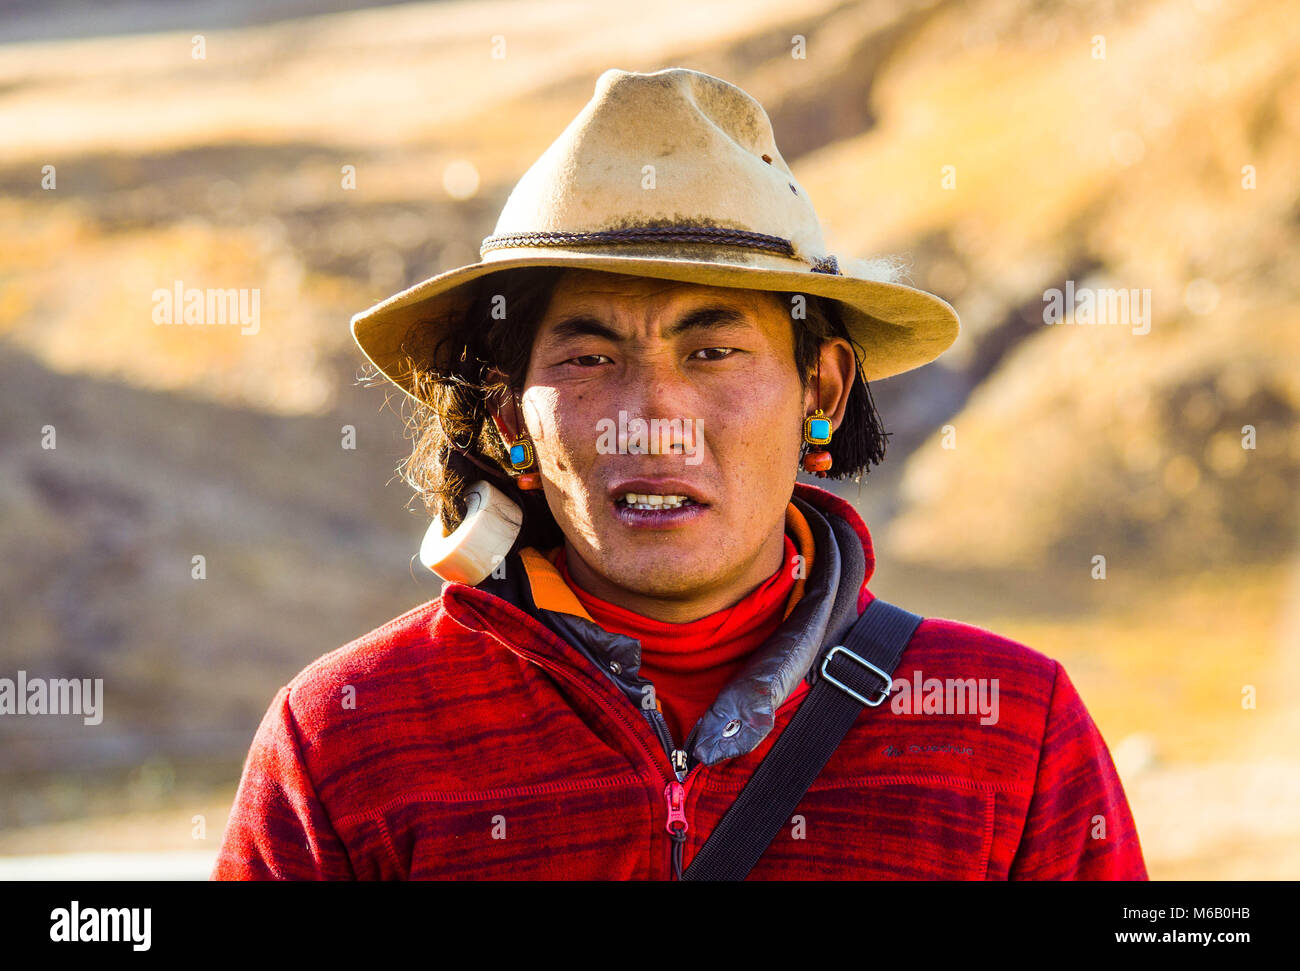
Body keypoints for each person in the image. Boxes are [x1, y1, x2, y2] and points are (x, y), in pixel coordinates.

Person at [213, 67, 1146, 880]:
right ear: (507, 418)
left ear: (819, 385)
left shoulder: (1011, 729)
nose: (651, 418)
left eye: (713, 353)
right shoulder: (347, 736)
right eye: (588, 359)